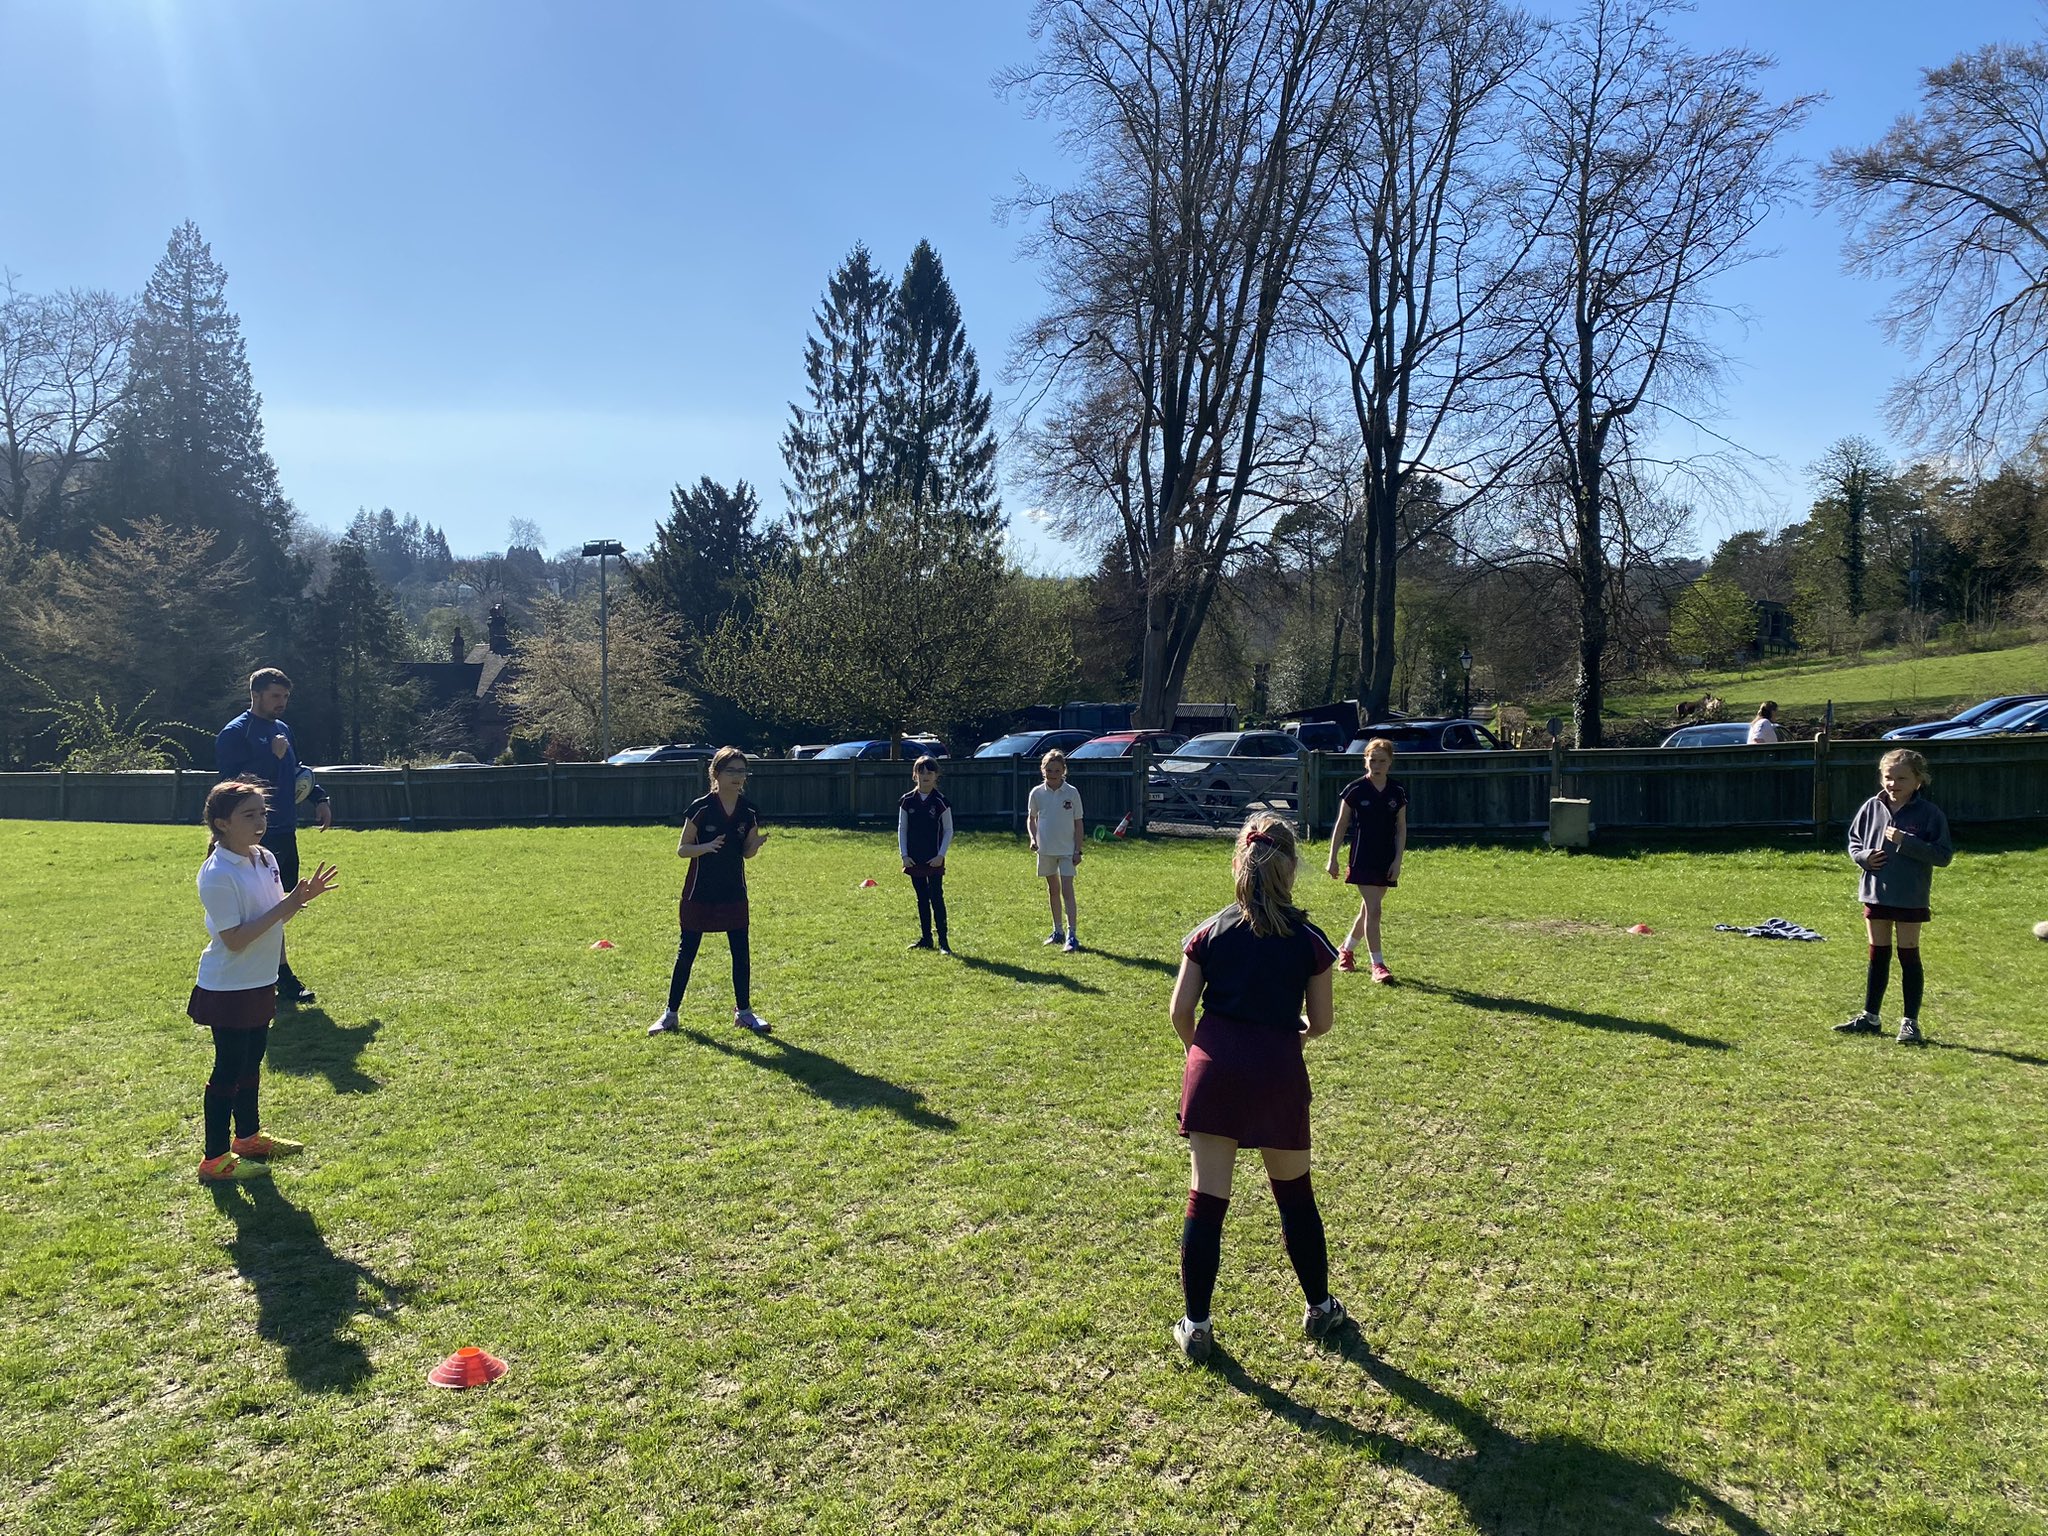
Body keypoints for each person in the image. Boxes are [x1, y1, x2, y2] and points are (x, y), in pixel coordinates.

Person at [1169, 814, 1346, 1361]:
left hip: (1214, 1069)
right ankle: (1320, 1308)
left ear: (1237, 864)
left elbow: (1179, 1012)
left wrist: (1206, 1052)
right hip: (1277, 1072)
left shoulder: (1208, 932)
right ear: (1292, 869)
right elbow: (1320, 1023)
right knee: (1295, 1198)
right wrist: (1281, 1039)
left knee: (1208, 1200)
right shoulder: (1311, 940)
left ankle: (1197, 1326)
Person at [188, 780, 339, 1182]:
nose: (260, 822)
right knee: (228, 1068)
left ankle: (248, 1138)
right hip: (228, 986)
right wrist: (288, 904)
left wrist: (297, 900)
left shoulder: (265, 857)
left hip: (260, 980)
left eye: (263, 813)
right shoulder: (218, 873)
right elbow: (234, 940)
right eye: (249, 815)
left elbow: (274, 917)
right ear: (222, 823)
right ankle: (214, 1159)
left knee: (251, 1061)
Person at [216, 668, 331, 1006]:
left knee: (284, 905)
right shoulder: (236, 733)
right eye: (275, 697)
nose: (282, 704)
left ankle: (271, 973)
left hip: (283, 830)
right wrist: (271, 755)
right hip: (250, 837)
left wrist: (318, 798)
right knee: (266, 908)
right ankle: (279, 977)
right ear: (256, 695)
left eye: (285, 697)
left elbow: (294, 771)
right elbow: (231, 788)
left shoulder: (282, 730)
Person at [650, 747, 772, 1036]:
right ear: (716, 774)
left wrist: (755, 845)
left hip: (734, 892)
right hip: (699, 892)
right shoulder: (701, 808)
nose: (738, 777)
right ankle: (670, 1015)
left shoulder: (749, 810)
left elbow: (746, 853)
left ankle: (744, 1013)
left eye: (742, 771)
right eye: (732, 771)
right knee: (687, 952)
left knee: (741, 953)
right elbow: (682, 849)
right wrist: (705, 847)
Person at [1836, 747, 1952, 1046]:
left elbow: (1942, 856)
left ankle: (1910, 1023)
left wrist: (1906, 842)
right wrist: (1862, 857)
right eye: (1888, 777)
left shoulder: (1929, 814)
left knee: (1908, 955)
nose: (1893, 784)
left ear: (1918, 781)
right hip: (1875, 892)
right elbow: (1854, 841)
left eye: (1901, 778)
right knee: (1878, 953)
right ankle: (1870, 1016)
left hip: (1910, 896)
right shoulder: (1871, 807)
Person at [1325, 737, 1407, 982]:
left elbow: (1401, 828)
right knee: (1375, 910)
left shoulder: (1397, 792)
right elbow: (1341, 825)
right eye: (1372, 760)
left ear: (1390, 762)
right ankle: (1378, 965)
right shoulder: (1354, 790)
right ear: (1365, 761)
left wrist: (1397, 861)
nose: (1377, 765)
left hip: (1386, 859)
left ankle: (1346, 950)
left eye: (1382, 761)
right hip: (1362, 857)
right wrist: (1333, 858)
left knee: (1368, 910)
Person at [1027, 749, 1085, 952]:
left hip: (1068, 850)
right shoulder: (1037, 793)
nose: (1053, 773)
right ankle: (1057, 931)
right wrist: (1033, 839)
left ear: (1063, 771)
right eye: (1049, 769)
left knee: (1067, 891)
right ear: (1043, 770)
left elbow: (1078, 824)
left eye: (1057, 770)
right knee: (1053, 890)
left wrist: (1078, 850)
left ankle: (1072, 934)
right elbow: (1031, 819)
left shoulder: (1072, 792)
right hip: (1046, 850)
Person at [899, 756, 954, 955]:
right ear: (915, 775)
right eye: (921, 772)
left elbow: (948, 830)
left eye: (929, 773)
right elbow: (901, 829)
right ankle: (926, 938)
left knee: (936, 897)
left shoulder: (940, 801)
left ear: (936, 776)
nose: (925, 776)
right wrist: (904, 855)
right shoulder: (907, 801)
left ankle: (944, 942)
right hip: (914, 857)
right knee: (921, 897)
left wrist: (941, 855)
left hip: (934, 857)